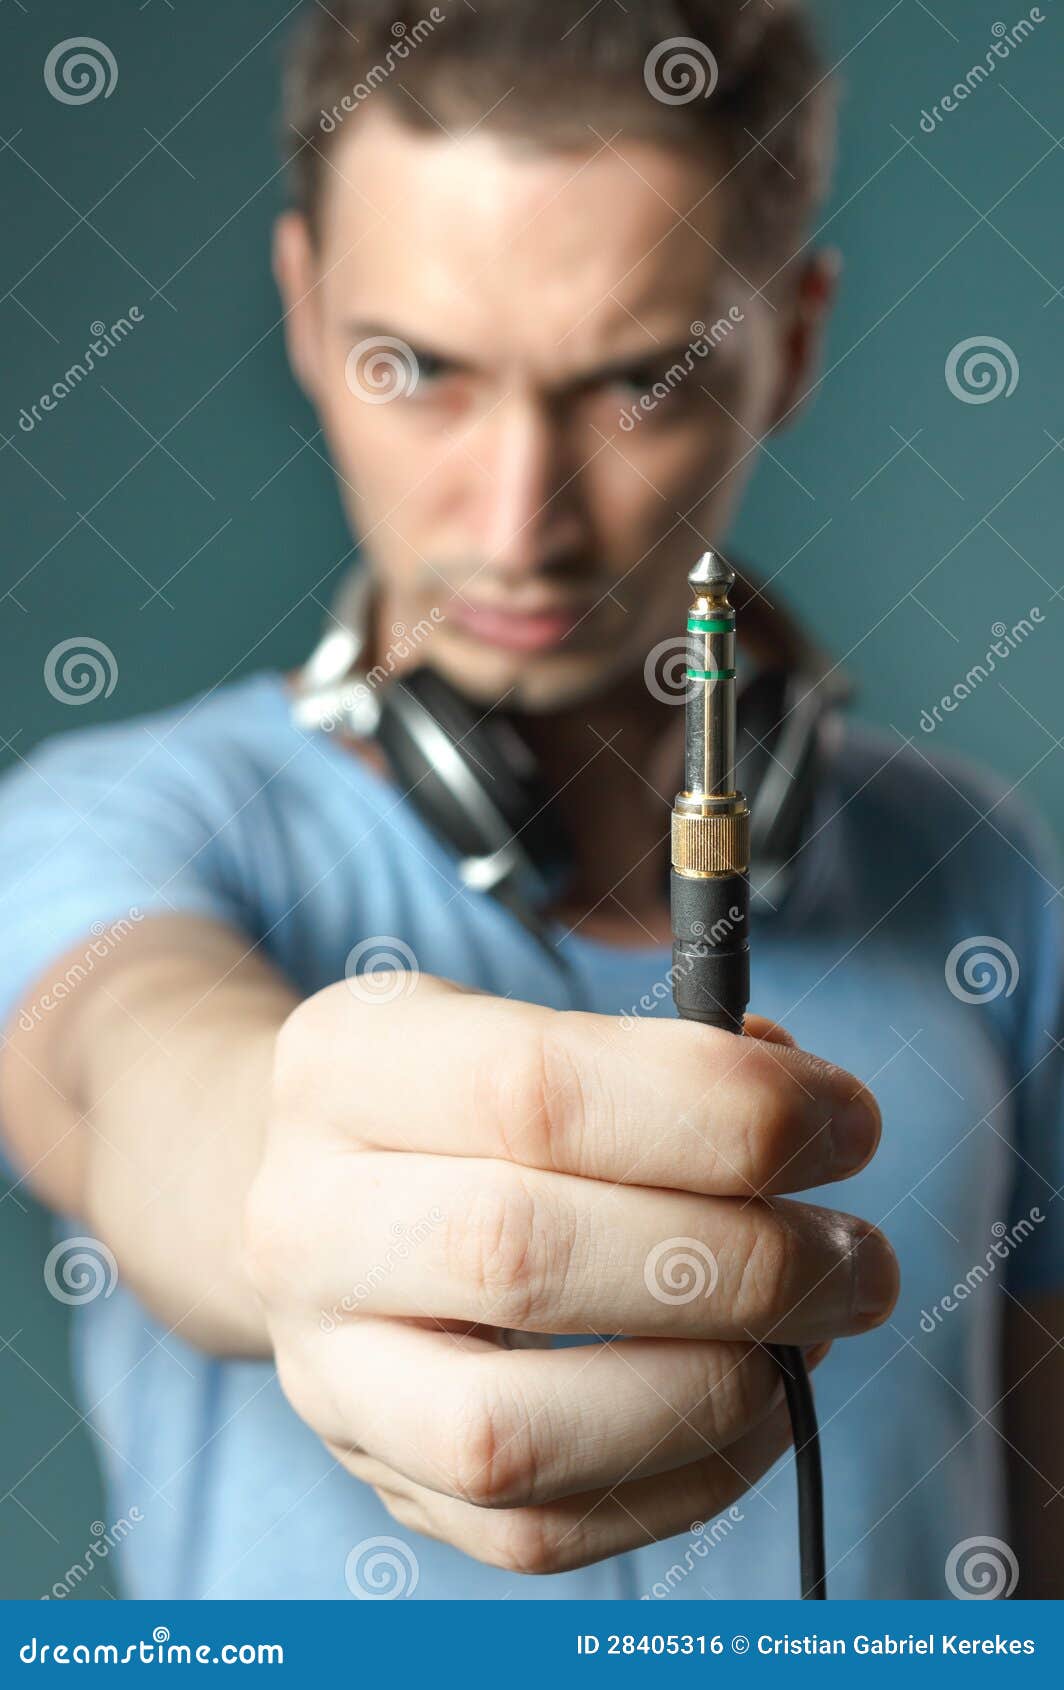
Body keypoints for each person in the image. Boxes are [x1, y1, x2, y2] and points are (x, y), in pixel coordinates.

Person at [0, 0, 1061, 1602]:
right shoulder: (110, 823)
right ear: (302, 308)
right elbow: (124, 1068)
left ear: (797, 339)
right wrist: (274, 1172)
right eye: (417, 367)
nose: (523, 519)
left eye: (642, 379)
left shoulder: (979, 870)